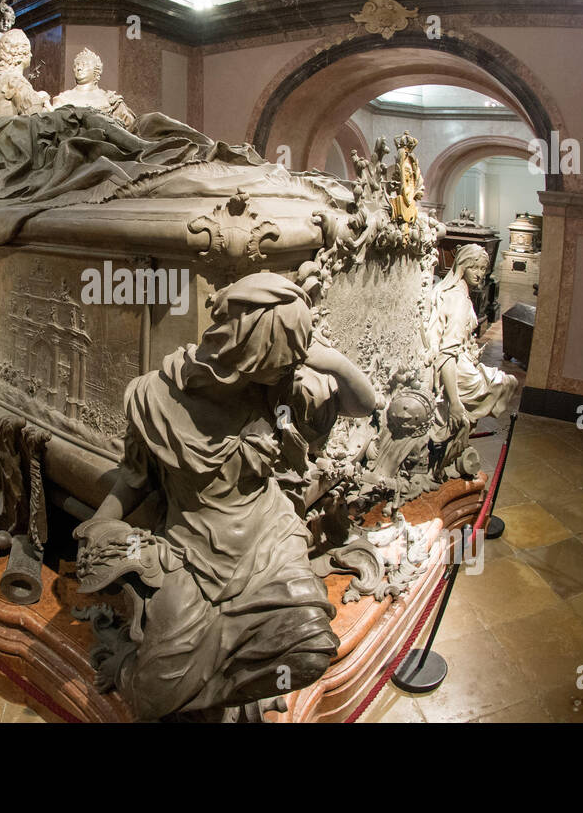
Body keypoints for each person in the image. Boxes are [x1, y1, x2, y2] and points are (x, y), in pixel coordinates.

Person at [74, 271, 377, 720]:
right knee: (153, 697)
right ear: (243, 351)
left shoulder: (278, 389)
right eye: (279, 359)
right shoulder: (152, 398)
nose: (289, 368)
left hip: (268, 539)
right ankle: (219, 688)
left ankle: (232, 694)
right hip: (188, 548)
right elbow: (136, 478)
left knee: (310, 650)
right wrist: (101, 523)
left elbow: (362, 406)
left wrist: (326, 359)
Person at [425, 244, 517, 473]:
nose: (480, 274)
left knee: (503, 384)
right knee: (504, 384)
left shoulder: (455, 291)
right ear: (463, 265)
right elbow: (447, 354)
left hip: (461, 360)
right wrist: (455, 403)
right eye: (475, 268)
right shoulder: (458, 299)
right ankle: (447, 452)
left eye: (483, 270)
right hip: (455, 368)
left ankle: (451, 449)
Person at [51, 48, 136, 128]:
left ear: (97, 70)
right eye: (76, 65)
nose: (79, 68)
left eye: (85, 65)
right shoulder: (63, 99)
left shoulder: (111, 101)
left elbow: (131, 128)